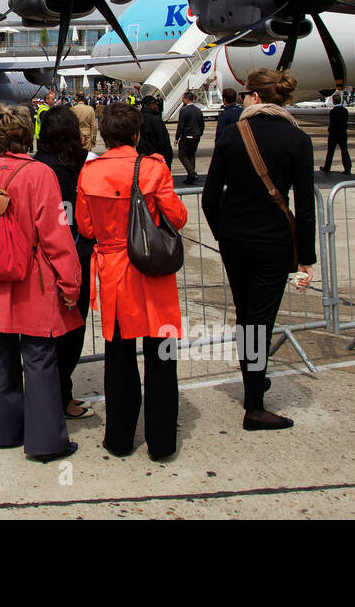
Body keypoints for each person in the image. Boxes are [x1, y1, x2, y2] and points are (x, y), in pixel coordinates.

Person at [0, 104, 82, 461]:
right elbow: (56, 235)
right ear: (27, 134)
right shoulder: (40, 174)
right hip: (33, 279)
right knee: (40, 357)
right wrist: (70, 283)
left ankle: (3, 431)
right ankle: (46, 441)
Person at [202, 69, 316, 431]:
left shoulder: (233, 135)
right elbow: (306, 207)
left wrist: (223, 233)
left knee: (244, 315)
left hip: (235, 241)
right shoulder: (298, 138)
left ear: (252, 97)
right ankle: (254, 406)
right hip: (274, 243)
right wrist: (306, 258)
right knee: (260, 322)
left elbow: (209, 197)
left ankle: (254, 381)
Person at [77, 103, 188, 459]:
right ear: (137, 133)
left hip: (112, 271)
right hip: (151, 271)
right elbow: (178, 216)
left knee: (119, 356)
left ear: (105, 135)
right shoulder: (153, 168)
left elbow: (86, 228)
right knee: (162, 356)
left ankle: (120, 439)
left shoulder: (89, 174)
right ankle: (161, 442)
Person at [35, 107, 96, 421]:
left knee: (49, 336)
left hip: (44, 262)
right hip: (72, 258)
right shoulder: (77, 166)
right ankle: (60, 397)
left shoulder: (40, 167)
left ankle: (53, 394)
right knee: (71, 332)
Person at [175, 91, 205, 184]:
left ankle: (192, 173)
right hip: (196, 136)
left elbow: (181, 125)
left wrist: (177, 137)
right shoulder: (198, 110)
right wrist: (199, 134)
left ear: (186, 99)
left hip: (187, 136)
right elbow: (202, 125)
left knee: (182, 155)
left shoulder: (184, 111)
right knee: (191, 155)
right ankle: (190, 177)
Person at [136, 96, 174, 167]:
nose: (157, 106)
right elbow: (163, 140)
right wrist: (169, 156)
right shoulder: (156, 120)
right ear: (151, 105)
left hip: (142, 157)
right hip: (157, 156)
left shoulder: (137, 119)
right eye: (155, 104)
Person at [320, 93, 352, 174]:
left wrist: (330, 130)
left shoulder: (333, 111)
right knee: (344, 151)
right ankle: (347, 168)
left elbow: (332, 124)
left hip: (334, 134)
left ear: (333, 101)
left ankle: (327, 167)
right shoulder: (345, 110)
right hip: (343, 133)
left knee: (330, 152)